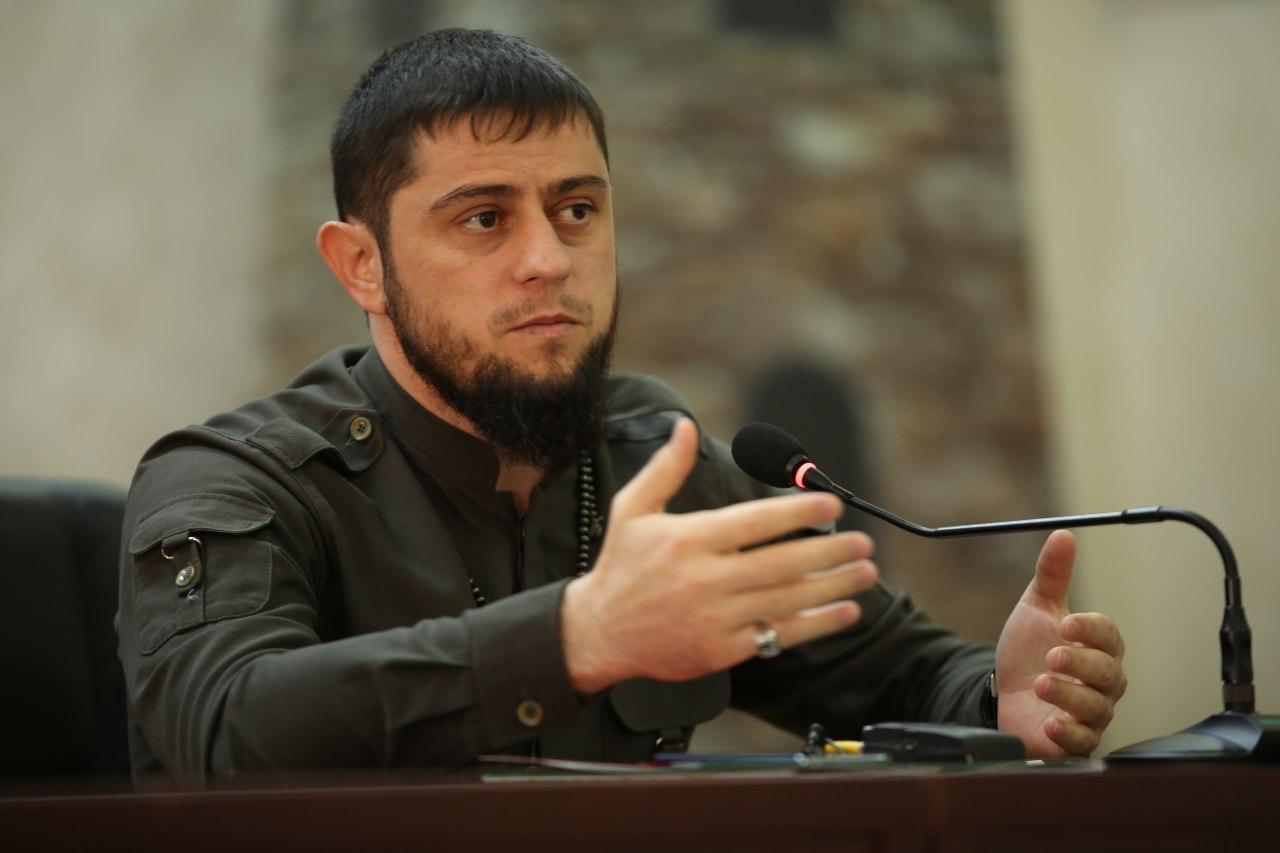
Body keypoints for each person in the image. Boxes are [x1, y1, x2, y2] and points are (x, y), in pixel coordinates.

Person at [116, 28, 1127, 776]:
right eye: (483, 218)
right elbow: (222, 728)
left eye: (577, 209)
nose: (548, 260)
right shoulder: (235, 479)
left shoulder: (657, 459)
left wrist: (1001, 698)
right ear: (361, 265)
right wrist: (573, 637)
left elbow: (895, 673)